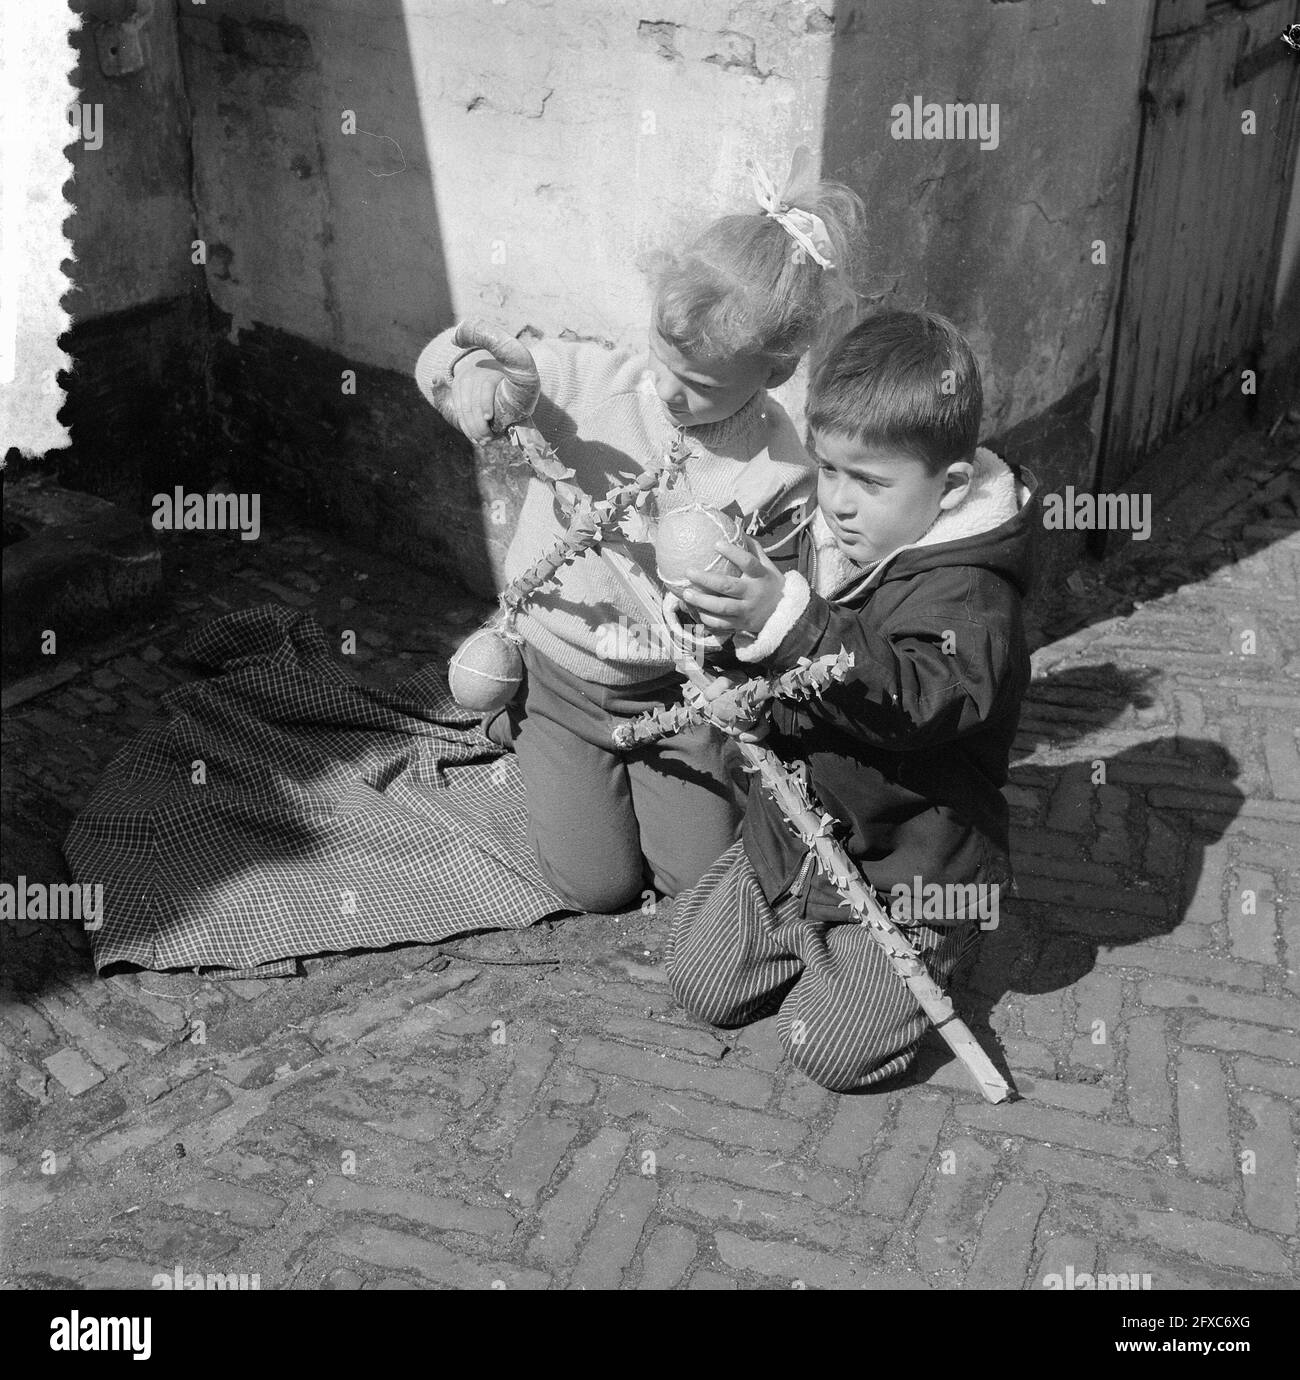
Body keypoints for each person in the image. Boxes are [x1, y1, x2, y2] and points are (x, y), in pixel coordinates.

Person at [415, 163, 865, 912]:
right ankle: (516, 715)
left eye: (702, 383)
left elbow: (778, 605)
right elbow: (443, 360)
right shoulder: (590, 384)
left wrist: (749, 610)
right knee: (600, 888)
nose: (669, 388)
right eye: (663, 358)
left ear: (777, 368)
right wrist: (474, 380)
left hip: (675, 693)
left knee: (699, 883)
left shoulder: (779, 470)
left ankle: (631, 776)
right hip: (560, 670)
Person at [665, 309, 1039, 1091]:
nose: (838, 500)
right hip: (798, 833)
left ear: (955, 485)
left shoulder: (971, 596)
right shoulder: (829, 535)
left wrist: (793, 621)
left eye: (870, 481)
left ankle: (930, 942)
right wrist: (719, 625)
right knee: (701, 987)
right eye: (828, 468)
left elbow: (912, 699)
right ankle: (808, 925)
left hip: (910, 865)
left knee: (829, 1054)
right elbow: (769, 647)